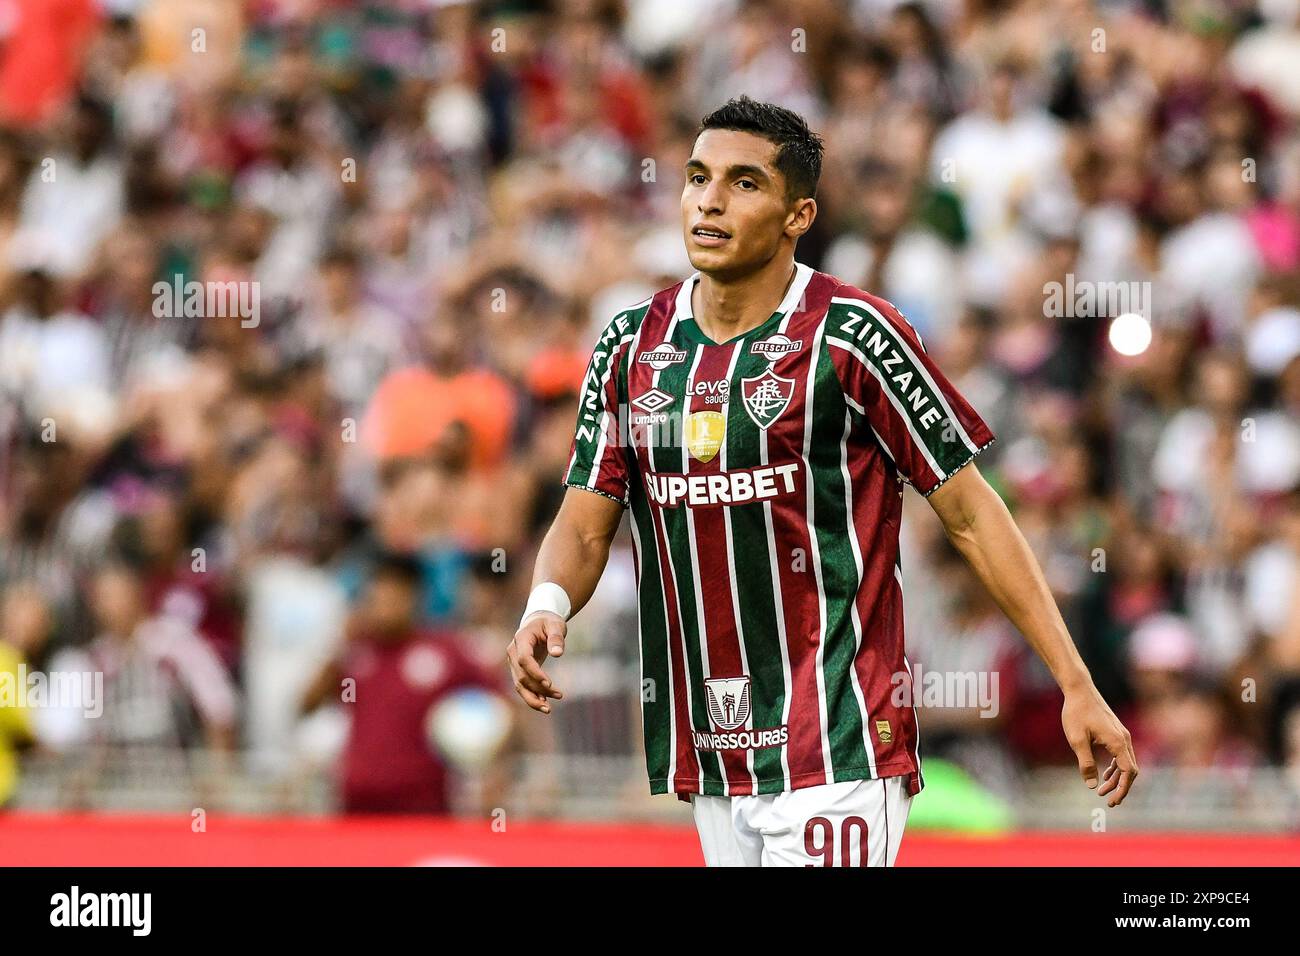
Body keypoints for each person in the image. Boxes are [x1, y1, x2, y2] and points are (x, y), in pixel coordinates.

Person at [507, 96, 1138, 867]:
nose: (709, 200)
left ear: (798, 214)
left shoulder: (855, 334)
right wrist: (546, 603)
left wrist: (1074, 681)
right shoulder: (629, 344)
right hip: (713, 746)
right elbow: (585, 520)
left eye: (743, 183)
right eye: (698, 177)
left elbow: (972, 512)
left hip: (840, 735)